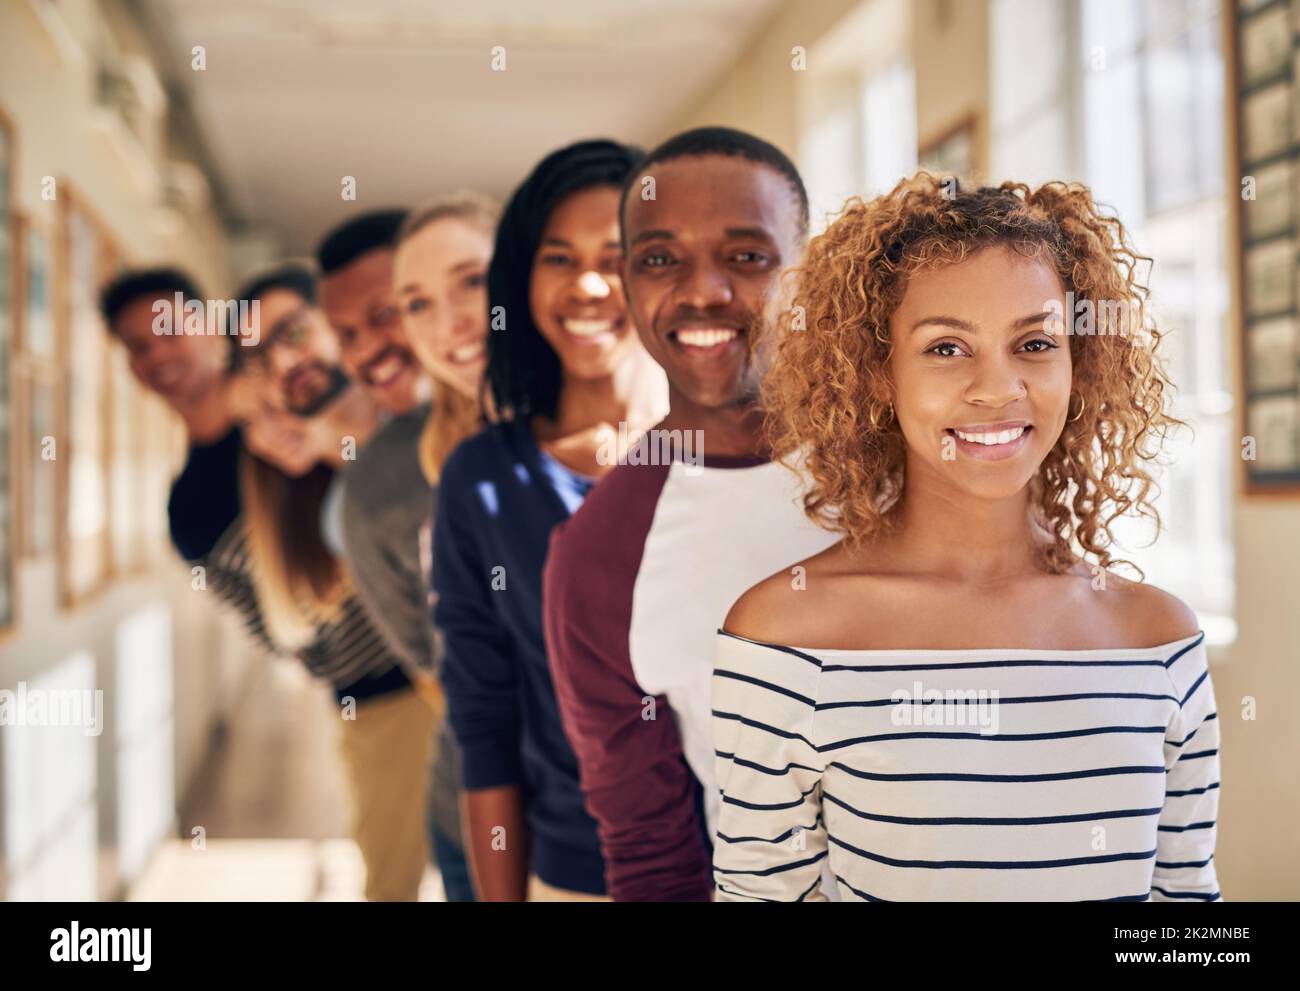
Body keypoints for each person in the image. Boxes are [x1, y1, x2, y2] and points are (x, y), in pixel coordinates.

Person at [714, 175, 1221, 902]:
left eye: (1035, 342)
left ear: (1079, 364)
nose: (998, 388)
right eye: (947, 347)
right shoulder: (785, 636)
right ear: (879, 373)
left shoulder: (1158, 640)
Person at [542, 127, 838, 901]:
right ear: (632, 287)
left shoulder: (914, 464)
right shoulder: (598, 557)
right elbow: (651, 853)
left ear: (805, 273)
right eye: (661, 259)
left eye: (747, 256)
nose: (703, 291)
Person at [431, 139, 666, 901]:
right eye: (558, 257)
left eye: (621, 254)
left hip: (763, 871)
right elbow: (485, 725)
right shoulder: (482, 480)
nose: (590, 283)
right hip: (577, 874)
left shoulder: (747, 454)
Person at [232, 265, 439, 903]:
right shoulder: (329, 506)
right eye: (260, 357)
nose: (284, 361)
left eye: (294, 330)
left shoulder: (441, 414)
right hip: (407, 702)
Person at [338, 193, 501, 902]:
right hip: (481, 811)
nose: (451, 321)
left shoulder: (618, 423)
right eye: (416, 302)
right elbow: (436, 666)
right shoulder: (396, 477)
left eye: (472, 279)